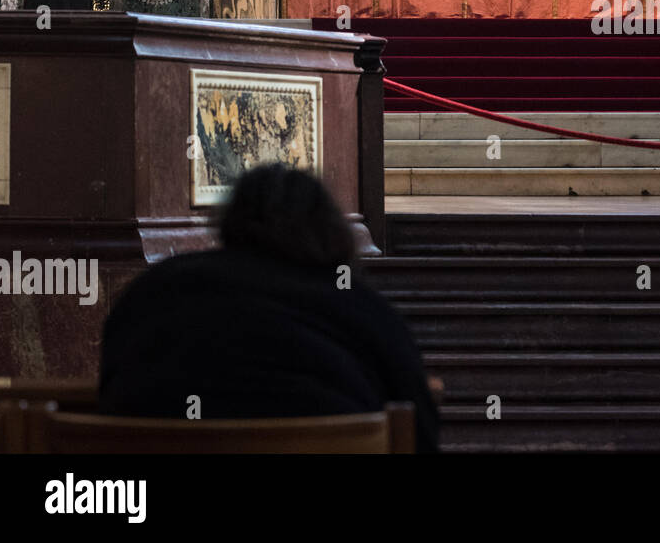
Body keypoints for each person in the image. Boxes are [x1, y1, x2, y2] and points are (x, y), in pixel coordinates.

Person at [98, 164, 439, 452]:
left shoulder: (154, 291)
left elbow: (110, 394)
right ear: (331, 229)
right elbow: (420, 434)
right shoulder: (363, 308)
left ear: (229, 223)